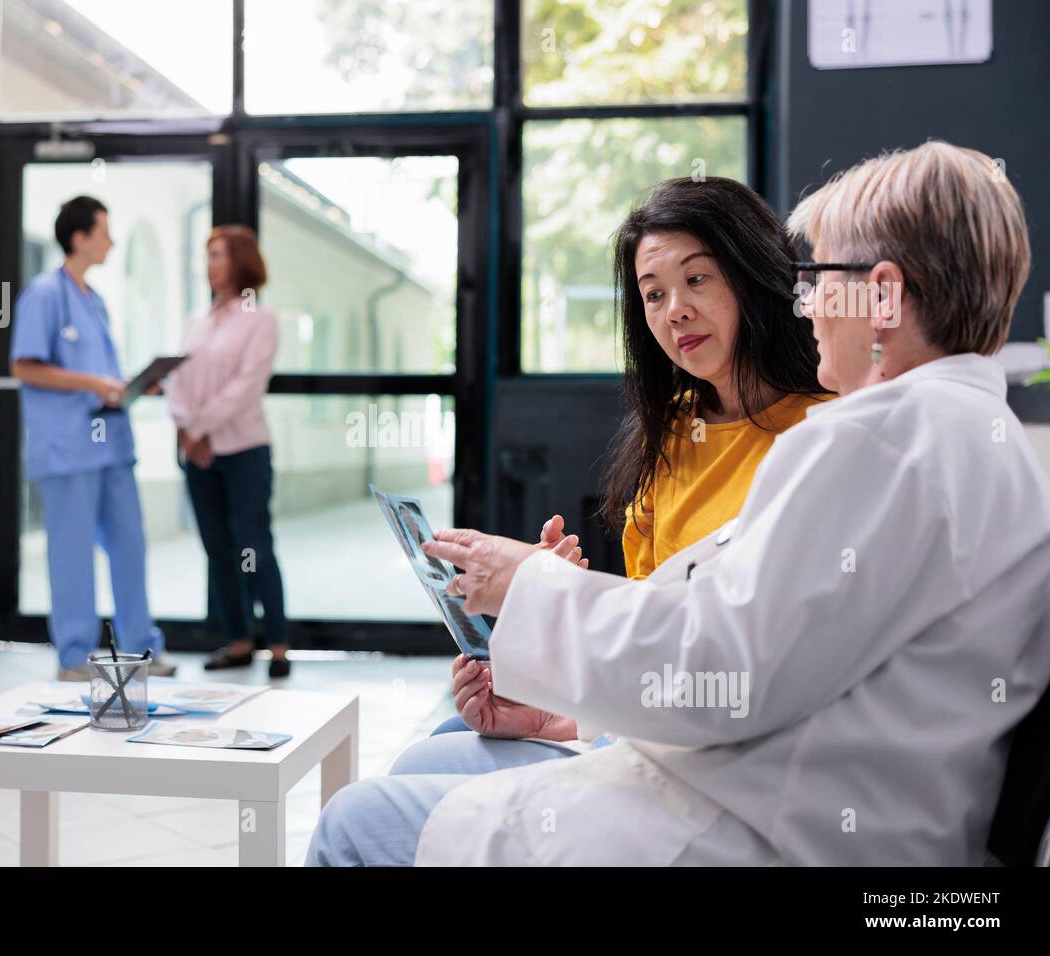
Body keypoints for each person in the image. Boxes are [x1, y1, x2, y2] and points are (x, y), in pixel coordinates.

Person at [308, 141, 1050, 866]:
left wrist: (530, 586)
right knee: (428, 768)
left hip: (768, 822)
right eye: (653, 293)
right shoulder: (974, 438)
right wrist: (556, 686)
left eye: (820, 276)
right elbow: (755, 652)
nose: (809, 302)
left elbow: (719, 669)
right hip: (799, 791)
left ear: (881, 295)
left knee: (354, 823)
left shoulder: (875, 441)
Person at [432, 175, 830, 737]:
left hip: (727, 748)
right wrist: (553, 716)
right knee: (448, 736)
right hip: (652, 731)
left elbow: (735, 665)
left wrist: (556, 593)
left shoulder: (825, 433)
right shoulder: (671, 428)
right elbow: (652, 656)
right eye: (653, 293)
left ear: (754, 278)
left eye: (696, 279)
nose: (675, 312)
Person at [10, 195, 172, 681]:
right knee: (72, 555)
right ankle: (74, 657)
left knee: (129, 547)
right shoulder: (43, 295)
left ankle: (141, 651)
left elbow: (102, 373)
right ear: (79, 238)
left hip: (111, 445)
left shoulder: (94, 300)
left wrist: (131, 387)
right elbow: (24, 366)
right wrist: (93, 384)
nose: (112, 241)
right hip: (67, 449)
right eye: (104, 231)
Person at [166, 226, 289, 679]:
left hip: (244, 450)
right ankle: (238, 639)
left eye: (218, 255)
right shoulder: (196, 320)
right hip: (198, 454)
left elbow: (245, 388)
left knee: (255, 544)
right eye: (208, 255)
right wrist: (185, 429)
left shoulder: (260, 318)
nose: (210, 264)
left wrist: (199, 429)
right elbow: (175, 380)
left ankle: (276, 643)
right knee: (217, 546)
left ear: (241, 262)